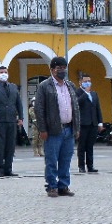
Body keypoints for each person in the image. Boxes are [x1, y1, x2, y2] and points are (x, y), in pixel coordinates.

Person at [35, 56, 80, 197]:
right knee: (51, 160)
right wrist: (42, 129)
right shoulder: (45, 86)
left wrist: (77, 128)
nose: (62, 70)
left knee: (66, 159)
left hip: (69, 128)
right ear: (52, 70)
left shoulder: (70, 85)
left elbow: (76, 107)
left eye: (64, 68)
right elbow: (39, 109)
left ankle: (63, 186)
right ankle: (51, 186)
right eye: (59, 68)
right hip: (53, 130)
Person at [0, 66, 25, 178]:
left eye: (5, 72)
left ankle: (8, 168)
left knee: (10, 146)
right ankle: (0, 169)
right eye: (1, 72)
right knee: (0, 146)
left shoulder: (13, 87)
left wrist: (21, 118)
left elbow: (19, 103)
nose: (4, 74)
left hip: (12, 120)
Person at [76, 73, 104, 173]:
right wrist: (85, 93)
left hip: (93, 123)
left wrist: (100, 123)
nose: (88, 83)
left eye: (89, 81)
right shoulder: (78, 92)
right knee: (82, 146)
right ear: (80, 82)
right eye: (85, 81)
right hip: (83, 124)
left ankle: (90, 166)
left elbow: (98, 109)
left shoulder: (94, 94)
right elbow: (77, 104)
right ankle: (81, 166)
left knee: (90, 146)